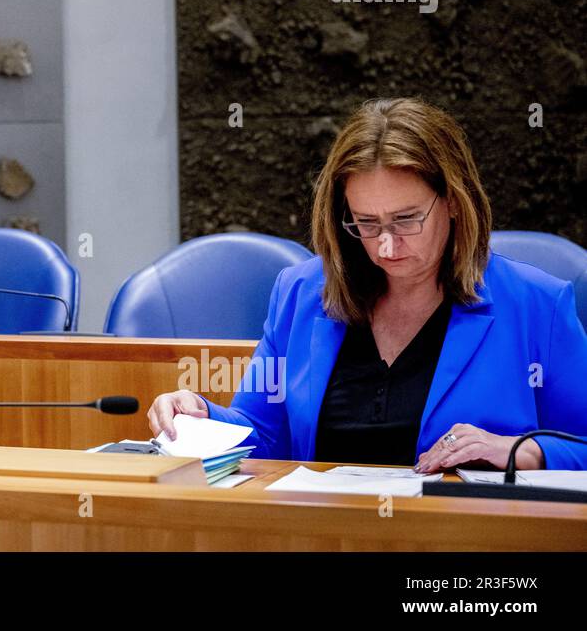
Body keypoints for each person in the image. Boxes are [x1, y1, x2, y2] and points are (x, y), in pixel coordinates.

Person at [148, 97, 587, 472]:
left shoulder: (537, 305)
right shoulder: (300, 295)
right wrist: (202, 418)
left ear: (453, 200)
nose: (387, 246)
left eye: (406, 219)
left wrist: (524, 451)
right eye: (366, 223)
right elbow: (263, 434)